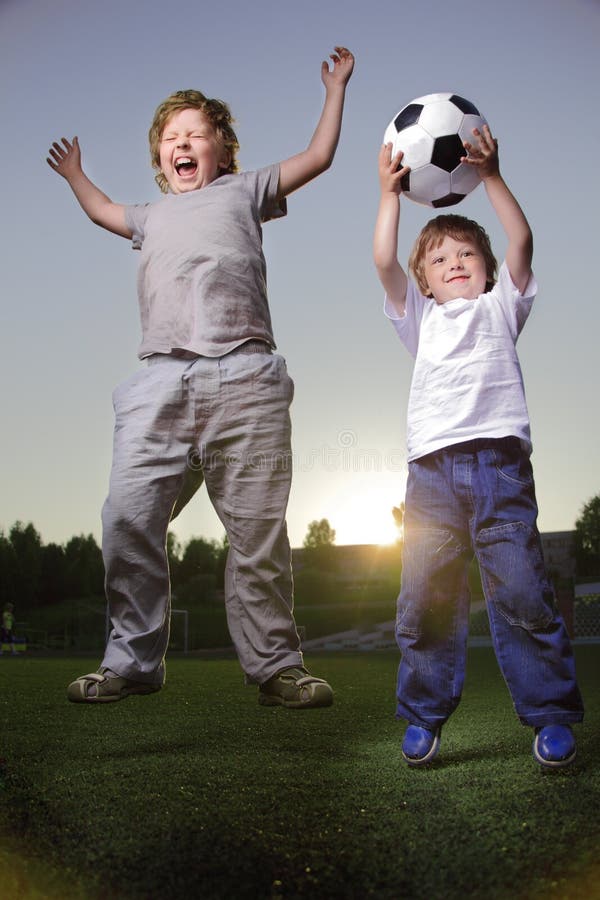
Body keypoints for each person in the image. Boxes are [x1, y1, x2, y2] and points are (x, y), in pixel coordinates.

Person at [47, 46, 354, 707]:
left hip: (246, 374)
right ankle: (132, 663)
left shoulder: (245, 191)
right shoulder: (149, 216)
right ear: (161, 158)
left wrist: (334, 90)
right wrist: (76, 174)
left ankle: (277, 666)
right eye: (170, 138)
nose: (181, 144)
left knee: (256, 529)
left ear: (221, 148)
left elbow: (318, 157)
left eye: (195, 135)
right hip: (159, 381)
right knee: (127, 517)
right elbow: (102, 208)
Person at [373, 123, 584, 768]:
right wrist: (388, 195)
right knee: (425, 597)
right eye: (438, 259)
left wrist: (490, 176)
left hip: (500, 467)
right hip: (431, 476)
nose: (455, 261)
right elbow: (385, 261)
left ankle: (550, 715)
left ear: (489, 271)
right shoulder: (421, 320)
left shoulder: (502, 307)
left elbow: (521, 238)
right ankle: (424, 717)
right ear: (426, 285)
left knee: (522, 591)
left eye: (467, 253)